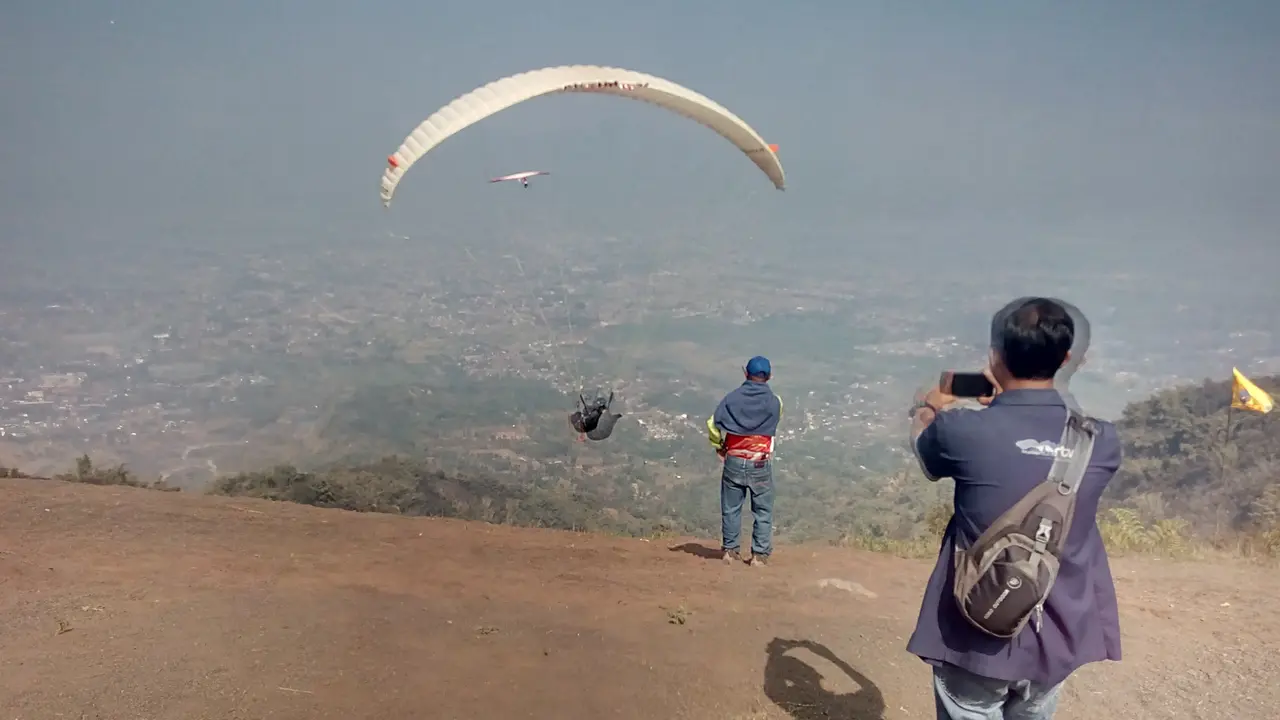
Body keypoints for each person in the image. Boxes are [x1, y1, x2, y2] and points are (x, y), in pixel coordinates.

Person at [905, 297, 1122, 719]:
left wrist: (930, 405)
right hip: (1056, 633)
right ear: (1064, 358)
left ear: (995, 356)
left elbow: (925, 450)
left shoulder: (961, 432)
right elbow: (1046, 448)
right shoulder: (1102, 441)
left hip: (975, 633)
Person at [706, 356, 783, 567]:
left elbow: (712, 424)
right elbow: (774, 422)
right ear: (769, 376)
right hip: (760, 463)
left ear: (745, 373)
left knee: (731, 508)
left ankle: (730, 552)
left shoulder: (731, 399)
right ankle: (759, 556)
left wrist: (719, 445)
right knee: (763, 510)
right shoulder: (775, 402)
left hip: (734, 460)